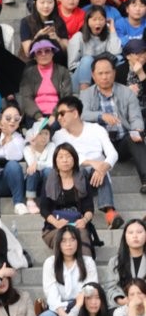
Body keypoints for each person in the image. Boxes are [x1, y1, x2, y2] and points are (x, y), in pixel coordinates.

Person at [53, 94, 124, 228]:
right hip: (73, 179)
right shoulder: (58, 136)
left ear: (74, 113)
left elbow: (113, 153)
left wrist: (103, 167)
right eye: (58, 114)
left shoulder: (96, 129)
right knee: (83, 168)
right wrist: (90, 162)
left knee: (97, 169)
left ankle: (110, 212)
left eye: (62, 113)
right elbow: (64, 159)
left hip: (97, 178)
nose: (59, 118)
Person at [80, 56, 146, 195]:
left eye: (108, 72)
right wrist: (101, 115)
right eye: (100, 73)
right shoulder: (86, 94)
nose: (104, 77)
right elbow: (82, 114)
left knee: (135, 139)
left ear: (114, 73)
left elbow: (135, 117)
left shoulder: (126, 92)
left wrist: (137, 130)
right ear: (93, 75)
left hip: (122, 142)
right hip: (100, 147)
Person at [41, 225, 100, 316]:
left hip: (82, 306)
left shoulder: (88, 262)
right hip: (60, 307)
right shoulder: (50, 263)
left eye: (72, 240)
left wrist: (78, 307)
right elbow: (50, 291)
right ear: (58, 243)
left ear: (78, 242)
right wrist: (63, 315)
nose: (69, 244)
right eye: (64, 241)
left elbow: (91, 288)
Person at [18, 39, 73, 123]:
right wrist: (39, 117)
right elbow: (26, 98)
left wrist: (54, 115)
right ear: (35, 56)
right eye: (39, 52)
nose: (43, 54)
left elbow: (66, 95)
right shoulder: (29, 73)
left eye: (47, 51)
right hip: (34, 115)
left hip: (58, 113)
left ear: (52, 53)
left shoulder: (62, 71)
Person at [101, 219, 146, 306]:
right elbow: (110, 288)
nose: (135, 236)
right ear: (125, 237)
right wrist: (121, 300)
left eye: (139, 232)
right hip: (123, 308)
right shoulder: (115, 262)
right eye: (130, 232)